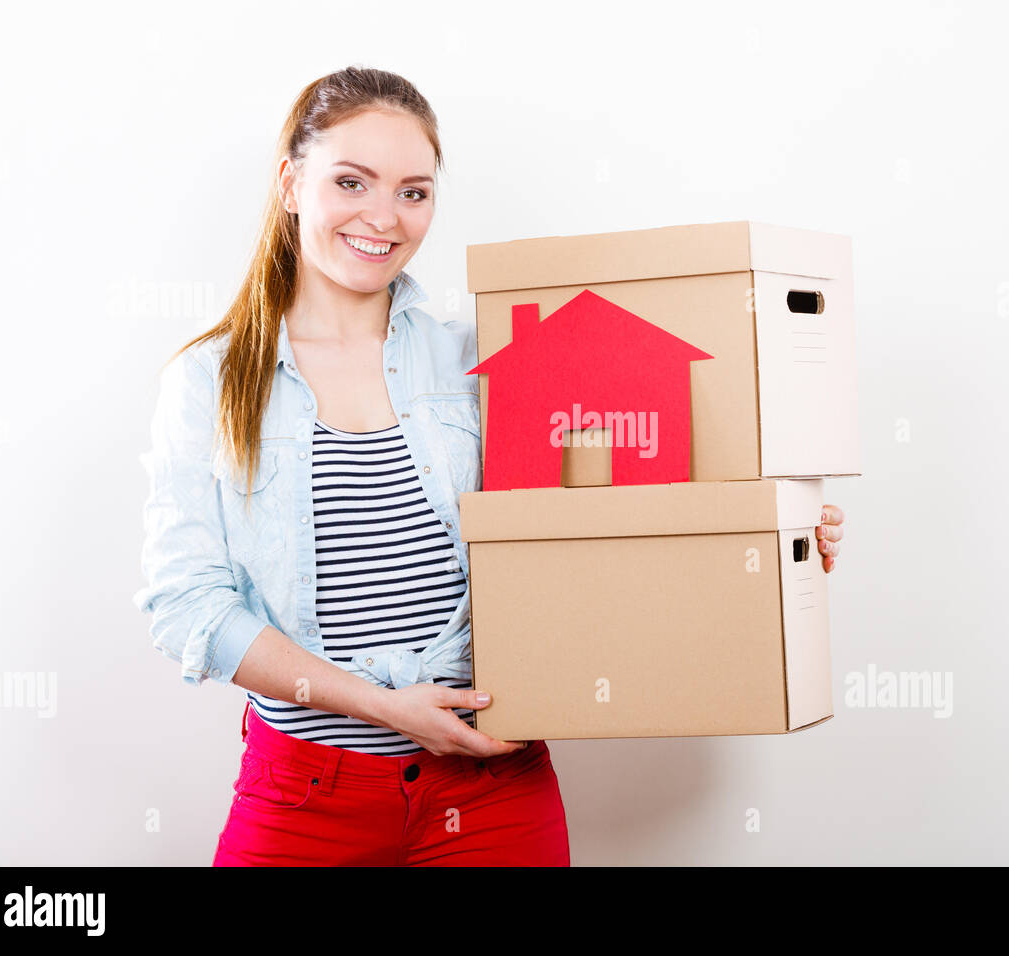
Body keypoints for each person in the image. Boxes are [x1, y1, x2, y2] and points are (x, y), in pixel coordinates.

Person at [132, 65, 845, 868]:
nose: (384, 217)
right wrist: (383, 707)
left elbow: (606, 514)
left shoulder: (485, 353)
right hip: (305, 795)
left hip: (491, 786)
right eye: (352, 181)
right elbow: (187, 604)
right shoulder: (213, 380)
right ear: (291, 183)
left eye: (413, 191)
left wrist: (766, 534)